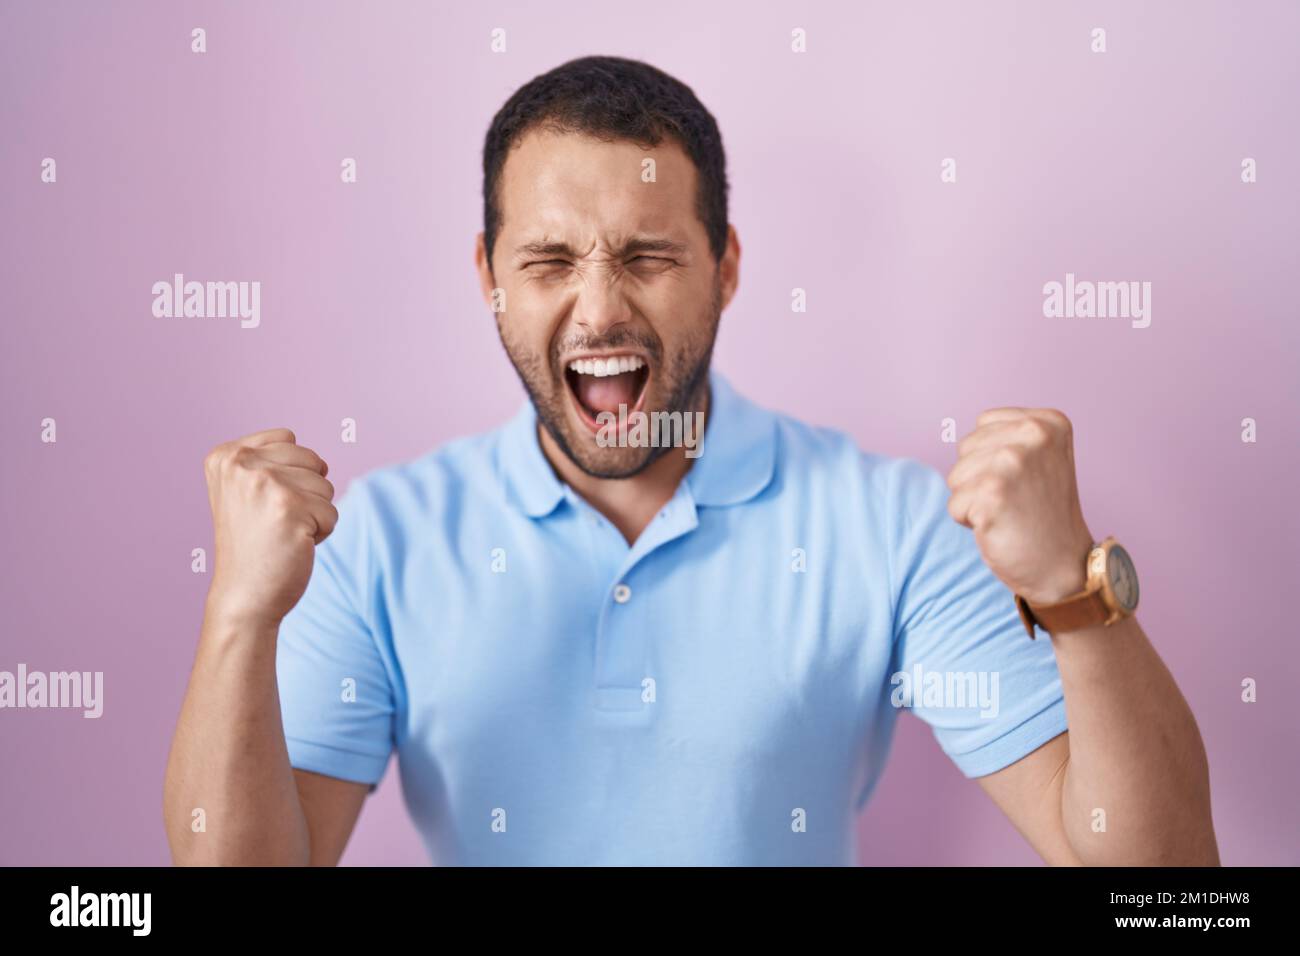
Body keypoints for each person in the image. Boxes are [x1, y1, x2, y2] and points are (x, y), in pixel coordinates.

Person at [163, 55, 1218, 866]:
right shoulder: (377, 539)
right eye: (548, 261)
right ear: (488, 276)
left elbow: (1151, 875)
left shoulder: (891, 525)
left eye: (648, 257)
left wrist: (1068, 586)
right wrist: (241, 613)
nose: (600, 306)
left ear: (724, 268)